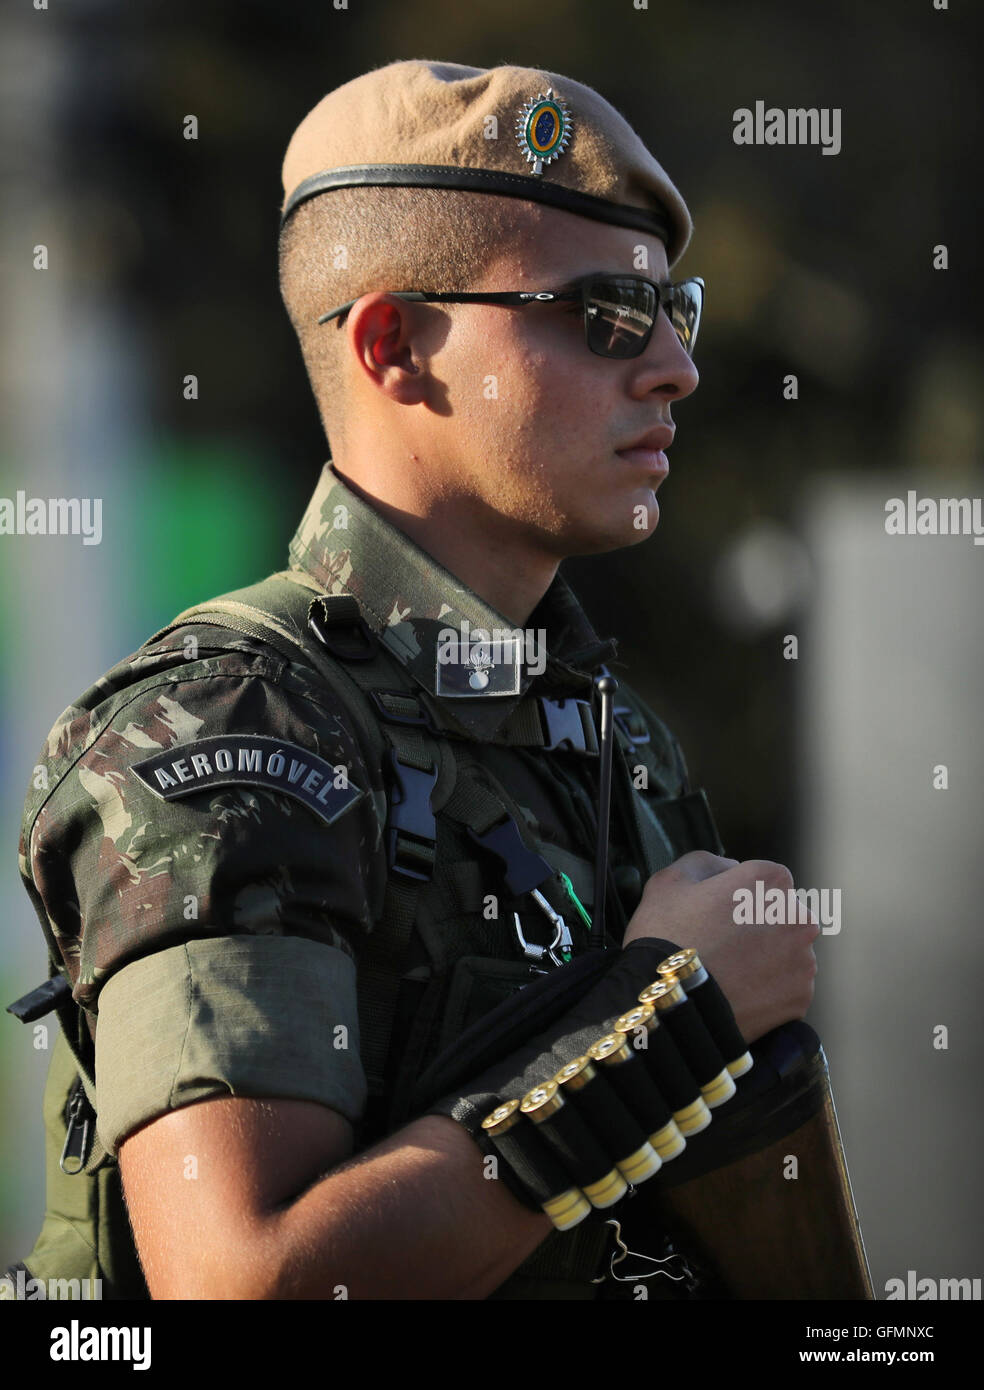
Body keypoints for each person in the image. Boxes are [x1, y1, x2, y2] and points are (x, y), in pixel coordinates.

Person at [12, 60, 818, 1300]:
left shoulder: (613, 739)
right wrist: (666, 1021)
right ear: (394, 345)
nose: (673, 368)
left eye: (678, 313)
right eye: (605, 314)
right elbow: (248, 1282)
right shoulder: (230, 728)